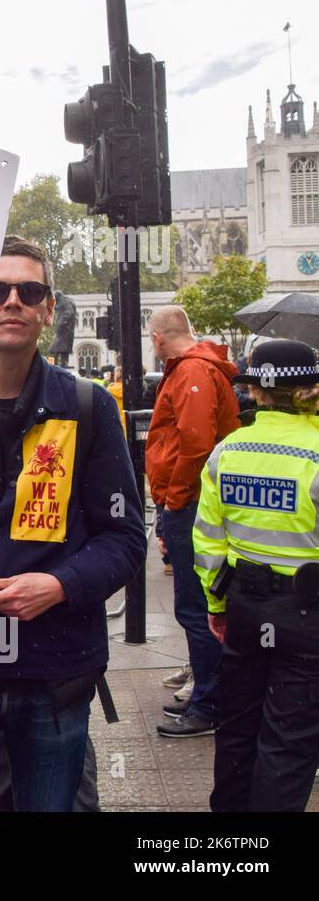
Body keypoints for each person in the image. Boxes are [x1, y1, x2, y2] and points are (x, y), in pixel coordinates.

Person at [0, 234, 145, 811]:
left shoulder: (88, 407)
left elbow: (124, 538)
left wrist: (60, 585)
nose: (11, 301)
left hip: (53, 678)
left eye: (28, 290)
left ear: (48, 309)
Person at [193, 339, 319, 811]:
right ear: (308, 388)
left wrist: (216, 604)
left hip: (245, 608)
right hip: (307, 617)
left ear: (259, 392)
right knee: (288, 744)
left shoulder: (228, 450)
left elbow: (207, 540)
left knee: (237, 729)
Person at [145, 305, 240, 738]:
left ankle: (210, 704)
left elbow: (196, 442)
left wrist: (174, 500)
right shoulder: (198, 368)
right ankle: (209, 695)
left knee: (196, 608)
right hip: (198, 502)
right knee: (199, 606)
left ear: (159, 338)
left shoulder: (191, 372)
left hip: (193, 504)